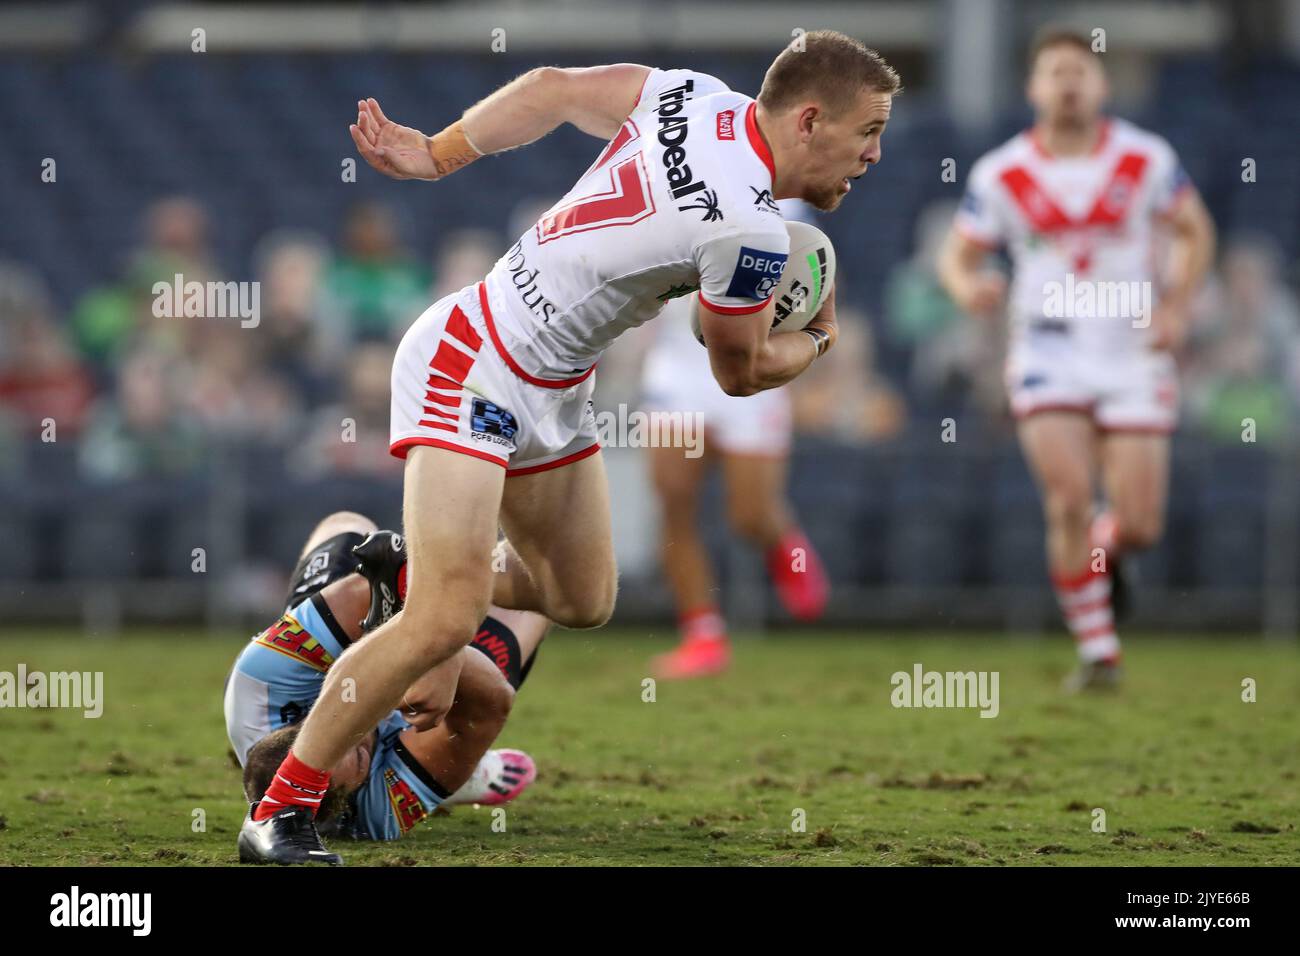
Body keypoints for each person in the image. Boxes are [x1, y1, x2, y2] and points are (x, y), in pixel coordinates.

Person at [241, 30, 899, 863]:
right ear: (809, 121)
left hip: (552, 384)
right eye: (868, 130)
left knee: (581, 596)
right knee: (447, 615)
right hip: (478, 359)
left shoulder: (692, 95)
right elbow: (740, 371)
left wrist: (436, 153)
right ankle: (280, 812)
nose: (875, 154)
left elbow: (552, 87)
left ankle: (403, 560)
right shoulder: (751, 231)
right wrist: (822, 339)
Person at [937, 28, 1214, 691]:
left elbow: (1194, 230)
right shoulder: (1002, 172)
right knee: (1067, 499)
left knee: (1140, 524)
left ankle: (1110, 554)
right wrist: (965, 286)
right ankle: (1098, 651)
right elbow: (959, 252)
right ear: (1033, 88)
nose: (1067, 82)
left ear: (1101, 85)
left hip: (1131, 351)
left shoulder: (1144, 159)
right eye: (1054, 71)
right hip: (1048, 349)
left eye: (1079, 71)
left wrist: (1176, 304)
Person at [229, 510, 546, 862]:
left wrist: (418, 623)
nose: (357, 724)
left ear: (302, 723)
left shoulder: (265, 680)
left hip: (335, 652)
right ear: (358, 788)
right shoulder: (379, 813)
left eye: (339, 735)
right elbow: (490, 707)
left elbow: (364, 591)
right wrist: (446, 648)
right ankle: (454, 779)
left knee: (348, 528)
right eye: (363, 754)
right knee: (546, 581)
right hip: (421, 717)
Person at [641, 199, 830, 680]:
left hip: (752, 359)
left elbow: (814, 268)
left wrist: (809, 349)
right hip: (680, 365)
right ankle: (702, 633)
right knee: (673, 501)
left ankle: (786, 543)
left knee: (749, 515)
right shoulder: (674, 171)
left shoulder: (787, 196)